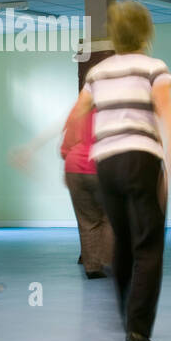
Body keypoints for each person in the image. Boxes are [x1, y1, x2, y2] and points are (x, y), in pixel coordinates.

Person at [68, 1, 171, 341]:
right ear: (146, 32)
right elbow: (167, 116)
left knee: (124, 243)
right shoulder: (153, 67)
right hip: (141, 158)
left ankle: (126, 319)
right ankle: (138, 331)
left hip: (106, 163)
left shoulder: (98, 73)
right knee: (148, 244)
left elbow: (75, 118)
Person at [60, 102, 113, 279]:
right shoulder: (111, 112)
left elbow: (65, 147)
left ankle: (92, 267)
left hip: (74, 168)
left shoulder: (77, 112)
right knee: (110, 216)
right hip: (100, 167)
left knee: (86, 219)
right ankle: (109, 260)